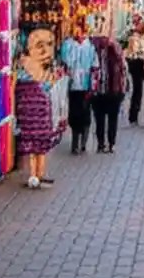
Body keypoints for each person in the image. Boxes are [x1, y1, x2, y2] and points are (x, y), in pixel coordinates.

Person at [15, 27, 68, 188]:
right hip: (38, 113)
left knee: (33, 145)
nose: (45, 50)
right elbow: (47, 87)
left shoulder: (23, 69)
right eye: (40, 46)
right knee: (39, 146)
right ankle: (37, 174)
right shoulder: (37, 70)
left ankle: (35, 175)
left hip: (28, 113)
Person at [61, 28, 99, 154]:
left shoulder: (90, 47)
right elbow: (64, 62)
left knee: (85, 114)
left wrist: (92, 86)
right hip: (73, 87)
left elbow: (95, 67)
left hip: (86, 87)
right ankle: (75, 142)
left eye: (82, 32)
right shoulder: (68, 45)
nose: (79, 34)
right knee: (74, 114)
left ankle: (83, 142)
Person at [90, 34, 128, 153]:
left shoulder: (115, 53)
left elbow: (123, 71)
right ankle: (102, 144)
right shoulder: (94, 52)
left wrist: (122, 88)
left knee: (110, 119)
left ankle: (110, 143)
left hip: (112, 91)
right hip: (101, 92)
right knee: (101, 120)